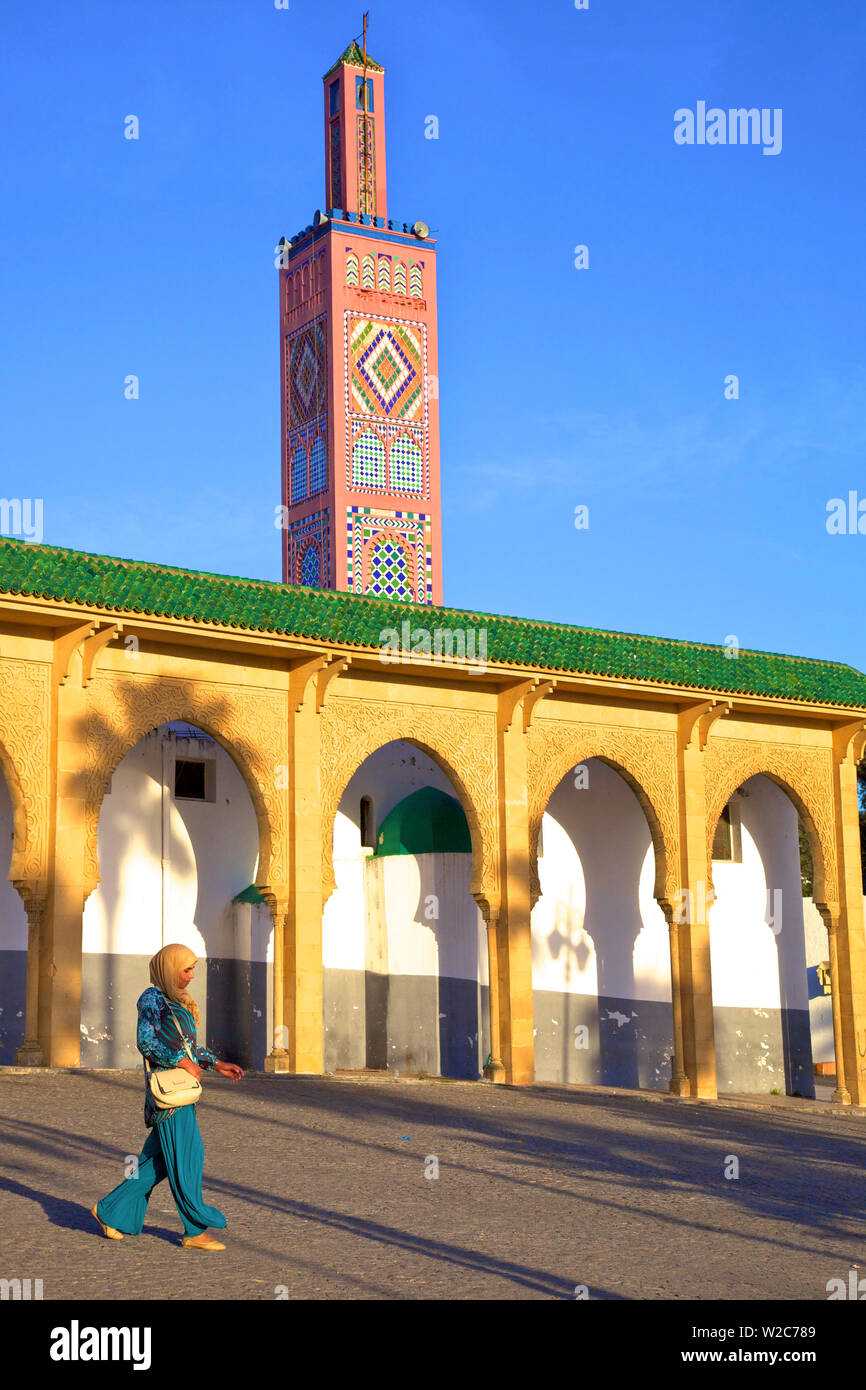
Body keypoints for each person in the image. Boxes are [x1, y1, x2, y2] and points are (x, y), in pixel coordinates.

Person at [91, 943, 243, 1251]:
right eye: (185, 970)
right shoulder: (152, 998)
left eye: (192, 970)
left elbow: (190, 1048)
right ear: (169, 969)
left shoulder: (181, 1001)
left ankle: (110, 1210)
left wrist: (216, 1064)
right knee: (189, 1156)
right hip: (168, 1094)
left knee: (158, 1162)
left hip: (182, 1090)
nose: (190, 976)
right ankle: (195, 1229)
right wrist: (180, 1060)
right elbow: (146, 1041)